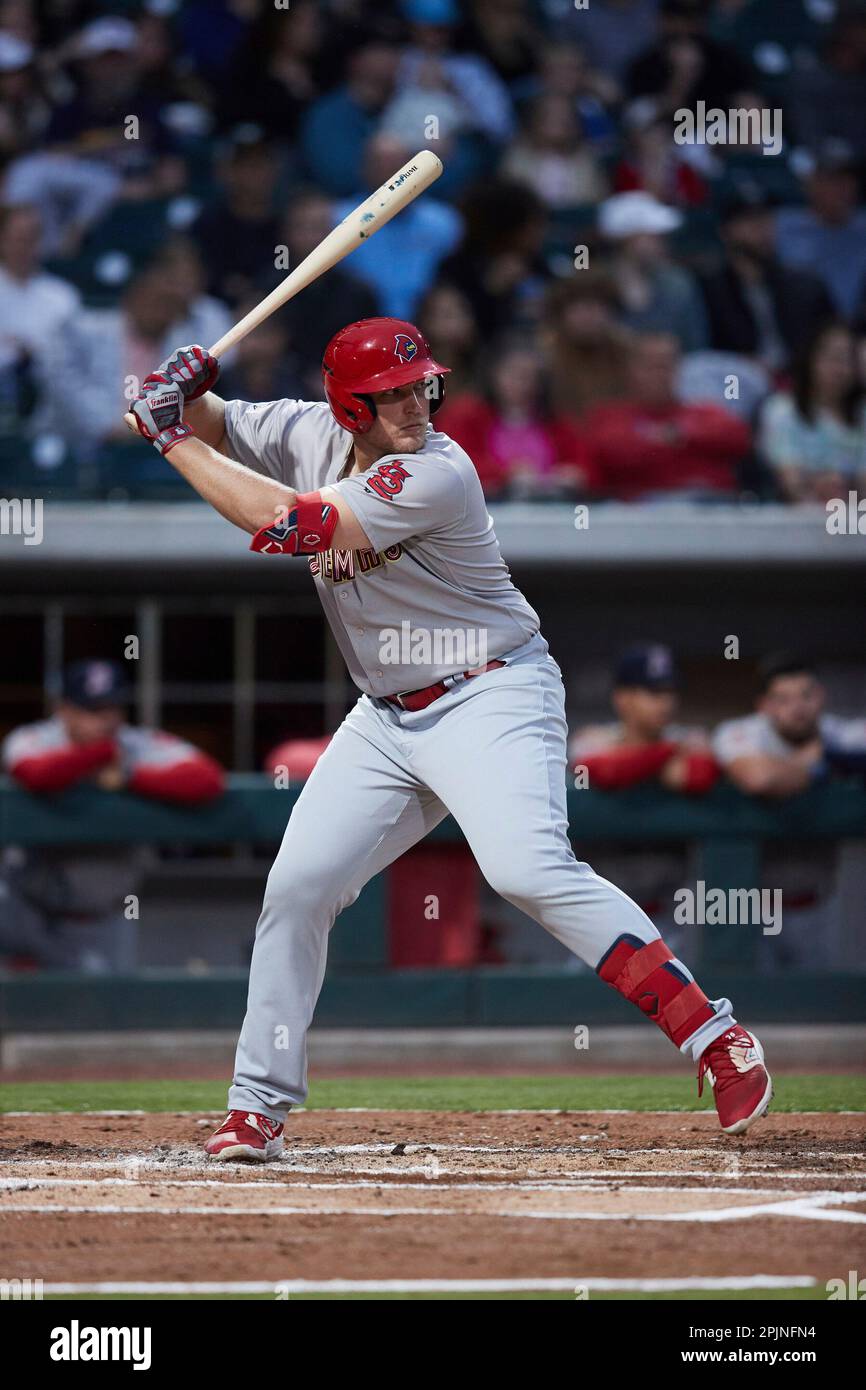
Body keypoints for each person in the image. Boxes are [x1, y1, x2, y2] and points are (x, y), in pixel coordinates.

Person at [126, 320, 774, 1156]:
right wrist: (180, 387)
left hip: (492, 693)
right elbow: (216, 423)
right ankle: (257, 1106)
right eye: (391, 394)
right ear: (348, 408)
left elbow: (286, 525)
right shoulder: (304, 431)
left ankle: (716, 1037)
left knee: (525, 869)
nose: (415, 405)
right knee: (297, 889)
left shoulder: (438, 469)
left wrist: (168, 433)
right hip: (387, 715)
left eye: (420, 386)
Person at [0, 660, 224, 973]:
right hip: (26, 914)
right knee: (21, 1014)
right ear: (64, 709)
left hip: (104, 919)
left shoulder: (133, 745)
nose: (106, 720)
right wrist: (99, 757)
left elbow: (207, 780)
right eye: (93, 710)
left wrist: (130, 775)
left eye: (113, 708)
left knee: (108, 1015)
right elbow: (33, 773)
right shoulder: (36, 738)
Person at [712, 654, 866, 971]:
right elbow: (759, 778)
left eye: (806, 696)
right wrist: (818, 762)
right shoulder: (743, 732)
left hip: (817, 903)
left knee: (820, 1009)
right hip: (748, 910)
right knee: (749, 1008)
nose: (797, 707)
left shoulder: (839, 732)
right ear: (764, 705)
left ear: (820, 697)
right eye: (783, 699)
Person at [583, 332, 751, 499]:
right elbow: (613, 451)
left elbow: (738, 437)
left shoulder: (704, 411)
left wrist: (680, 434)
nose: (659, 374)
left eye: (666, 365)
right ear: (631, 370)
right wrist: (683, 446)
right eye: (651, 366)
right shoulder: (610, 417)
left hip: (707, 510)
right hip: (636, 516)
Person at [433, 339, 596, 498]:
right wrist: (506, 474)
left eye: (531, 376)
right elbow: (450, 462)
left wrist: (572, 474)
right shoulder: (465, 415)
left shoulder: (556, 420)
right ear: (494, 374)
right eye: (515, 374)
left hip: (549, 511)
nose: (524, 383)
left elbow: (585, 467)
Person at [699, 186, 834, 375]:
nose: (762, 229)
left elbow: (831, 339)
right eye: (750, 220)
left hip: (799, 385)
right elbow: (703, 355)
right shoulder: (709, 289)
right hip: (735, 384)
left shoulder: (805, 285)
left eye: (766, 218)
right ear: (726, 230)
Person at [757, 322, 866, 503]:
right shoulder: (782, 411)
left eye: (848, 361)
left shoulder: (862, 415)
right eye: (833, 358)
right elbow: (790, 484)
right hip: (799, 517)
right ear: (810, 358)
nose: (840, 370)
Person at [598, 191, 709, 352]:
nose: (661, 244)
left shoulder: (678, 284)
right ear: (626, 240)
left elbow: (695, 344)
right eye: (653, 237)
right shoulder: (596, 286)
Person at [776, 142, 866, 322]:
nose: (842, 188)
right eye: (832, 180)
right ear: (810, 184)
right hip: (804, 329)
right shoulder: (782, 227)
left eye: (848, 180)